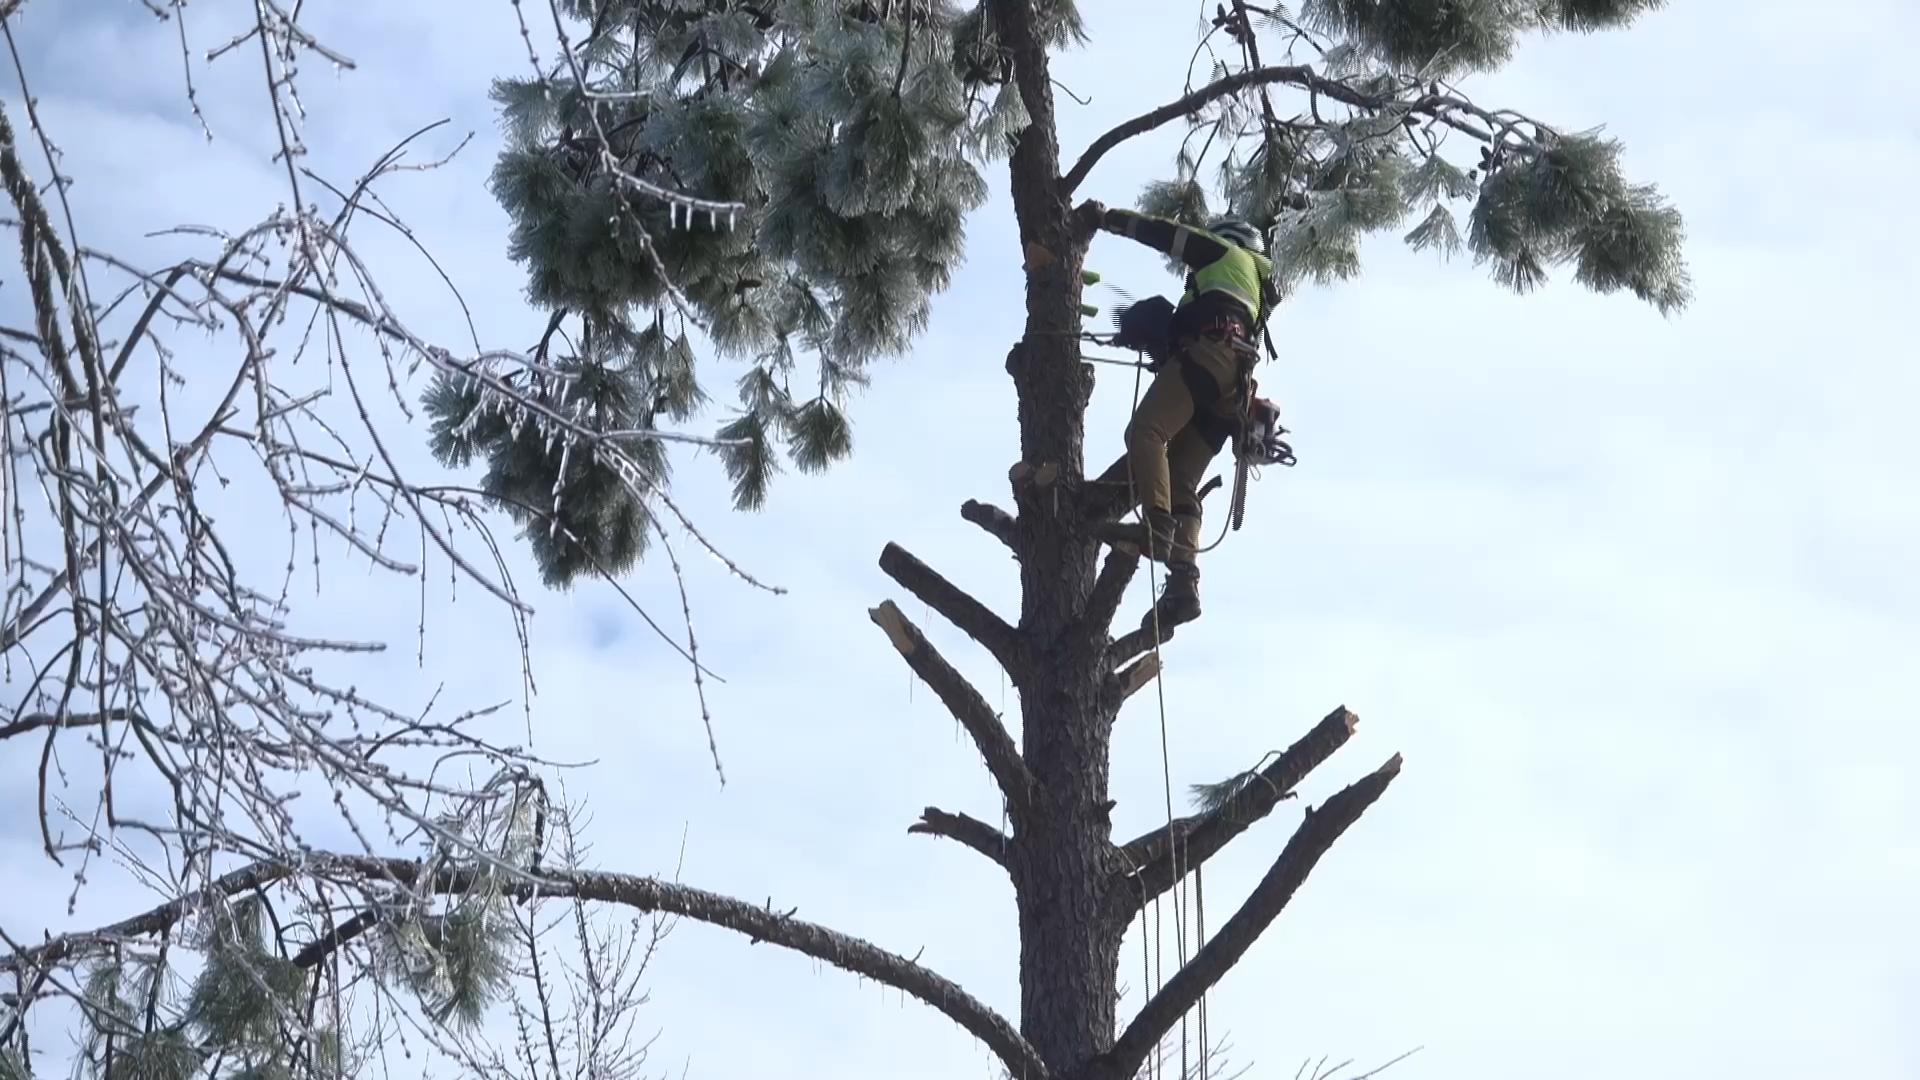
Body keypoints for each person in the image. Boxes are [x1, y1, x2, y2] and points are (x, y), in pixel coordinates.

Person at [1076, 201, 1279, 628]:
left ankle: (1157, 528)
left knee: (1146, 431)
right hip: (1231, 391)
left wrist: (1109, 219)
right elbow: (1200, 323)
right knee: (1181, 479)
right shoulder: (1254, 291)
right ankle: (1184, 582)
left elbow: (1168, 235)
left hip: (1211, 357)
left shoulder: (1225, 254)